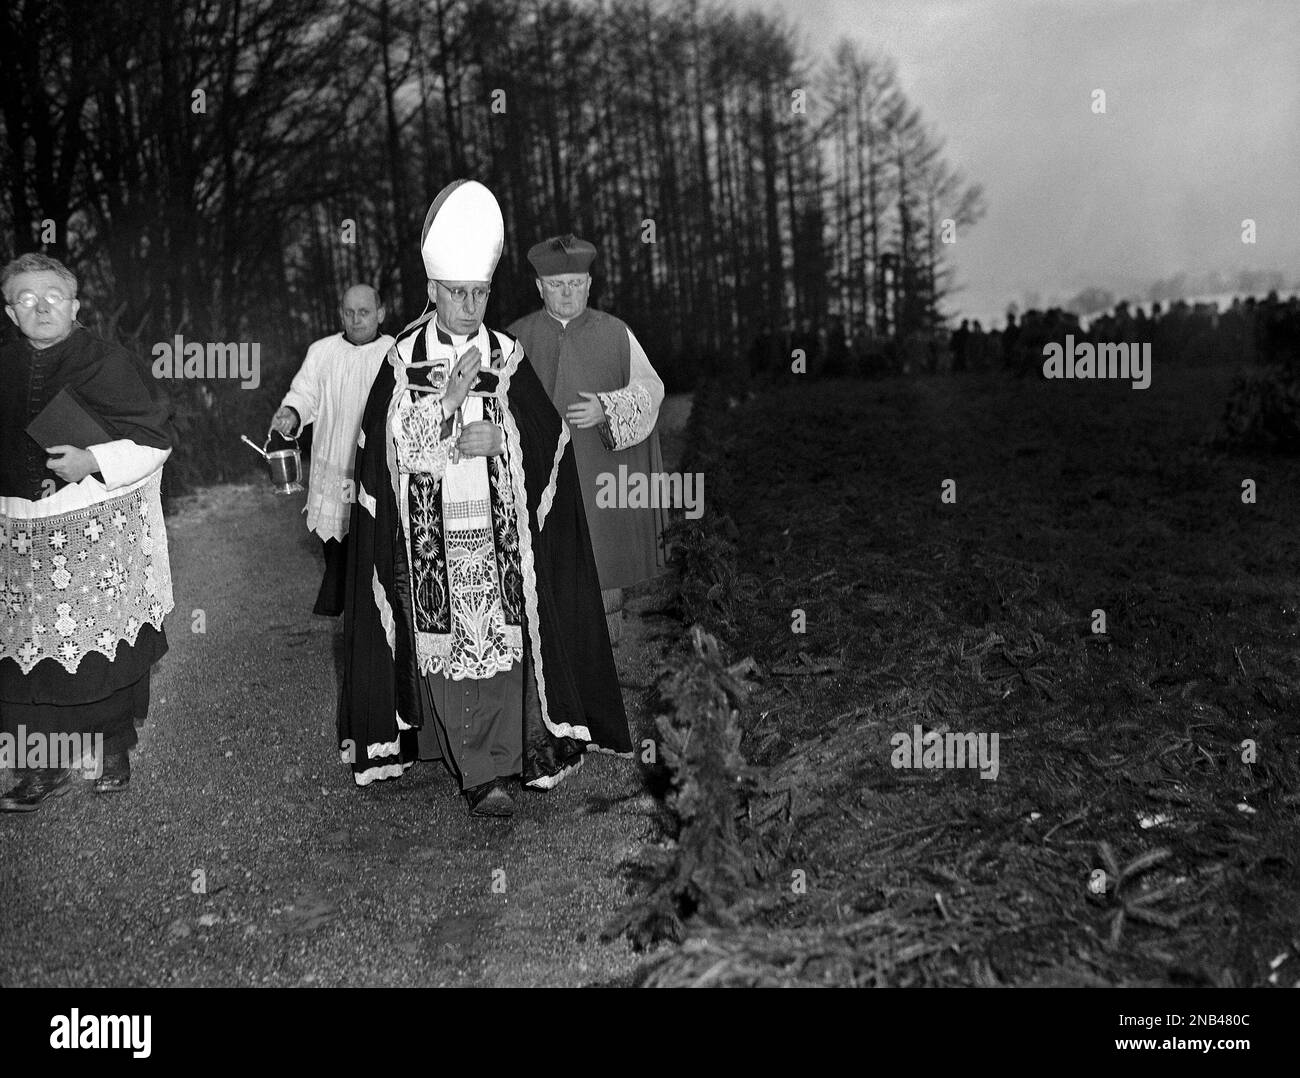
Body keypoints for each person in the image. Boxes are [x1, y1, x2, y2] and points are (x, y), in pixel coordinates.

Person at [337, 180, 630, 817]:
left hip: (499, 531)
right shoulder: (403, 361)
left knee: (503, 640)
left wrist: (503, 437)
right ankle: (478, 771)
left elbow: (548, 438)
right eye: (458, 292)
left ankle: (497, 762)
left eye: (480, 292)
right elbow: (391, 457)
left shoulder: (507, 356)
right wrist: (443, 409)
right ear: (433, 290)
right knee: (446, 644)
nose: (470, 304)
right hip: (429, 537)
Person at [0, 253, 174, 810]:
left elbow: (155, 441)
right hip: (17, 538)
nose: (41, 306)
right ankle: (38, 767)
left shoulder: (108, 362)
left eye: (52, 295)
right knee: (25, 657)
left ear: (75, 305)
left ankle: (111, 748)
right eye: (26, 298)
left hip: (90, 531)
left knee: (98, 650)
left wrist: (92, 458)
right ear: (10, 312)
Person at [508, 234, 666, 644]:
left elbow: (651, 389)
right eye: (558, 285)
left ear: (590, 285)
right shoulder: (514, 339)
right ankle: (553, 665)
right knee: (546, 567)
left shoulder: (616, 333)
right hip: (539, 475)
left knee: (600, 559)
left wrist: (608, 408)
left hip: (599, 468)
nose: (568, 293)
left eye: (576, 284)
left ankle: (607, 653)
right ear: (540, 286)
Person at [270, 285, 394, 616]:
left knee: (374, 544)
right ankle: (344, 606)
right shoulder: (322, 351)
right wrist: (292, 413)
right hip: (335, 463)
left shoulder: (395, 353)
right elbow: (304, 393)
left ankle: (370, 616)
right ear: (341, 314)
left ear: (380, 313)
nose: (356, 320)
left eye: (364, 312)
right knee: (337, 541)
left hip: (376, 468)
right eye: (349, 312)